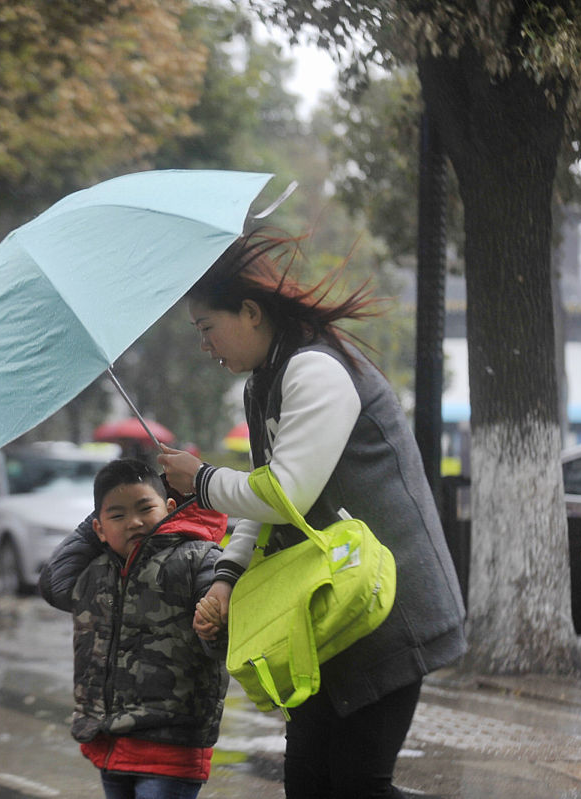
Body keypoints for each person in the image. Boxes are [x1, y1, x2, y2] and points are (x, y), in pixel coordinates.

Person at [157, 231, 468, 799]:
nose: (206, 345)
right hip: (328, 608)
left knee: (357, 786)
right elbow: (262, 498)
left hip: (385, 606)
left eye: (207, 328)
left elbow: (284, 494)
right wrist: (227, 579)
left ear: (250, 312)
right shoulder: (263, 383)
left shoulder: (314, 370)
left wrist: (200, 481)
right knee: (307, 782)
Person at [38, 459, 229, 799]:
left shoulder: (197, 559)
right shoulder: (97, 571)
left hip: (171, 747)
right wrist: (98, 525)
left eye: (145, 508)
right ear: (97, 529)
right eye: (118, 515)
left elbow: (221, 640)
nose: (134, 522)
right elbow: (55, 583)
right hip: (112, 741)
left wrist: (213, 624)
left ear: (170, 507)